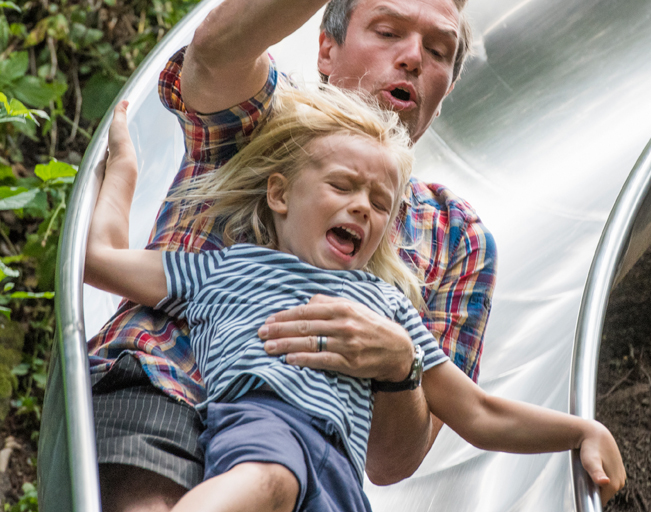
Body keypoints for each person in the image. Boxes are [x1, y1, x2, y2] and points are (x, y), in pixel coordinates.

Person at [89, 93, 624, 512]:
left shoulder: (387, 308)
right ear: (280, 194)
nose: (361, 208)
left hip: (342, 476)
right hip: (265, 424)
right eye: (342, 186)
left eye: (380, 203)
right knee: (267, 482)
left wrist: (581, 430)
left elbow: (477, 412)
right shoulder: (222, 270)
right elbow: (101, 258)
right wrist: (124, 171)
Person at [88, 0, 500, 510]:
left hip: (307, 450)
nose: (414, 57)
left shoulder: (455, 236)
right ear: (326, 49)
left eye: (438, 50)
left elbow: (392, 461)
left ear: (446, 90)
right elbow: (217, 51)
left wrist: (401, 365)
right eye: (388, 31)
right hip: (168, 386)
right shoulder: (266, 125)